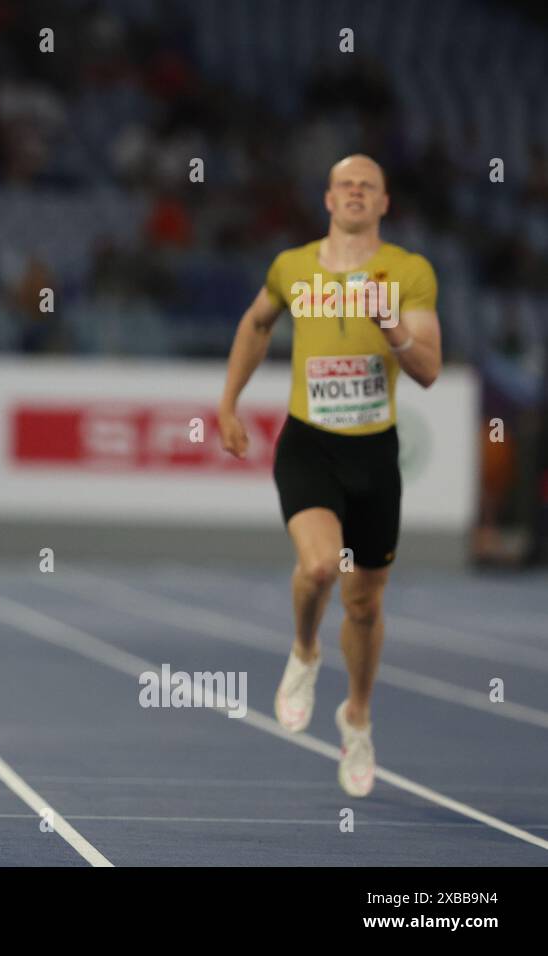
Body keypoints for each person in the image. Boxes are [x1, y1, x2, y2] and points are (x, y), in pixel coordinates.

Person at [217, 154, 441, 797]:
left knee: (365, 602)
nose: (356, 193)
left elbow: (428, 368)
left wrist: (389, 322)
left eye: (368, 185)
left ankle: (358, 719)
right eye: (346, 184)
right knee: (319, 568)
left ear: (384, 203)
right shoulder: (291, 266)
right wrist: (229, 402)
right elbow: (256, 324)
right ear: (327, 198)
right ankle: (306, 652)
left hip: (374, 454)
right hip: (309, 443)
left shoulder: (408, 272)